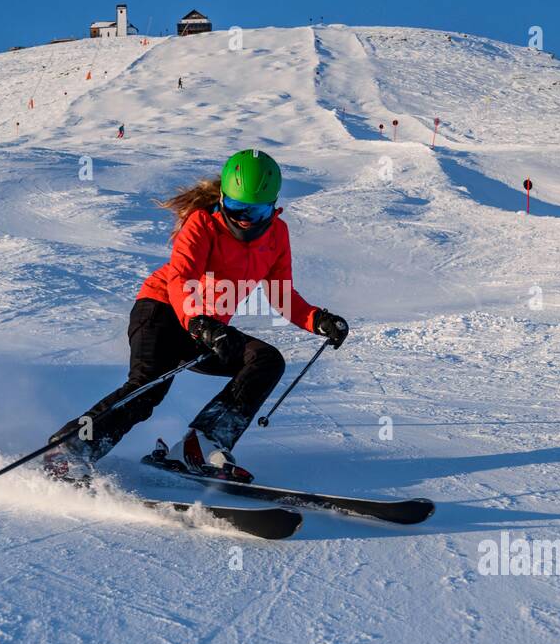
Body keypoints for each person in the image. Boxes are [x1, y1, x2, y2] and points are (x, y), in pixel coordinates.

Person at [43, 149, 348, 481]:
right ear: (222, 199)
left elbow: (281, 294)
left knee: (265, 360)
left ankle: (200, 446)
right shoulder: (202, 223)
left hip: (208, 328)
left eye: (256, 210)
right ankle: (71, 449)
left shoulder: (276, 235)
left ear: (274, 207)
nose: (245, 218)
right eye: (236, 207)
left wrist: (317, 319)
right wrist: (199, 322)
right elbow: (181, 279)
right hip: (162, 311)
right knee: (148, 387)